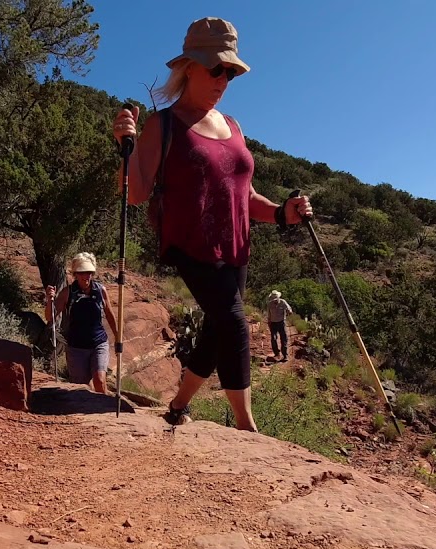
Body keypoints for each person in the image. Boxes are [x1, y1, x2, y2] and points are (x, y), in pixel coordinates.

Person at [112, 17, 312, 432]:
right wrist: (123, 150)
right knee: (235, 323)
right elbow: (135, 193)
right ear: (189, 66)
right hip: (192, 246)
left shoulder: (233, 126)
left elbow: (245, 195)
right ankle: (246, 426)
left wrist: (281, 212)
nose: (225, 79)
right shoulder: (163, 125)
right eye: (216, 68)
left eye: (232, 71)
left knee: (218, 330)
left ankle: (178, 404)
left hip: (236, 247)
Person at [45, 252, 118, 394]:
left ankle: (102, 411)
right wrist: (49, 300)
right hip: (76, 347)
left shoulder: (100, 290)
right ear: (75, 274)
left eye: (89, 272)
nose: (87, 276)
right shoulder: (68, 292)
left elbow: (109, 313)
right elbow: (50, 317)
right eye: (82, 272)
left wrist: (117, 337)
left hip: (98, 343)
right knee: (80, 388)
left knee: (100, 380)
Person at [267, 290, 294, 362]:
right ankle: (277, 353)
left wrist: (289, 311)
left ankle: (285, 355)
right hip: (273, 323)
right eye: (273, 299)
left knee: (284, 338)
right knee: (273, 339)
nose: (274, 300)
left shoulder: (283, 302)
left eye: (275, 299)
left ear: (278, 297)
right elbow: (269, 315)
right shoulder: (270, 304)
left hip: (281, 323)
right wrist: (269, 322)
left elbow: (289, 309)